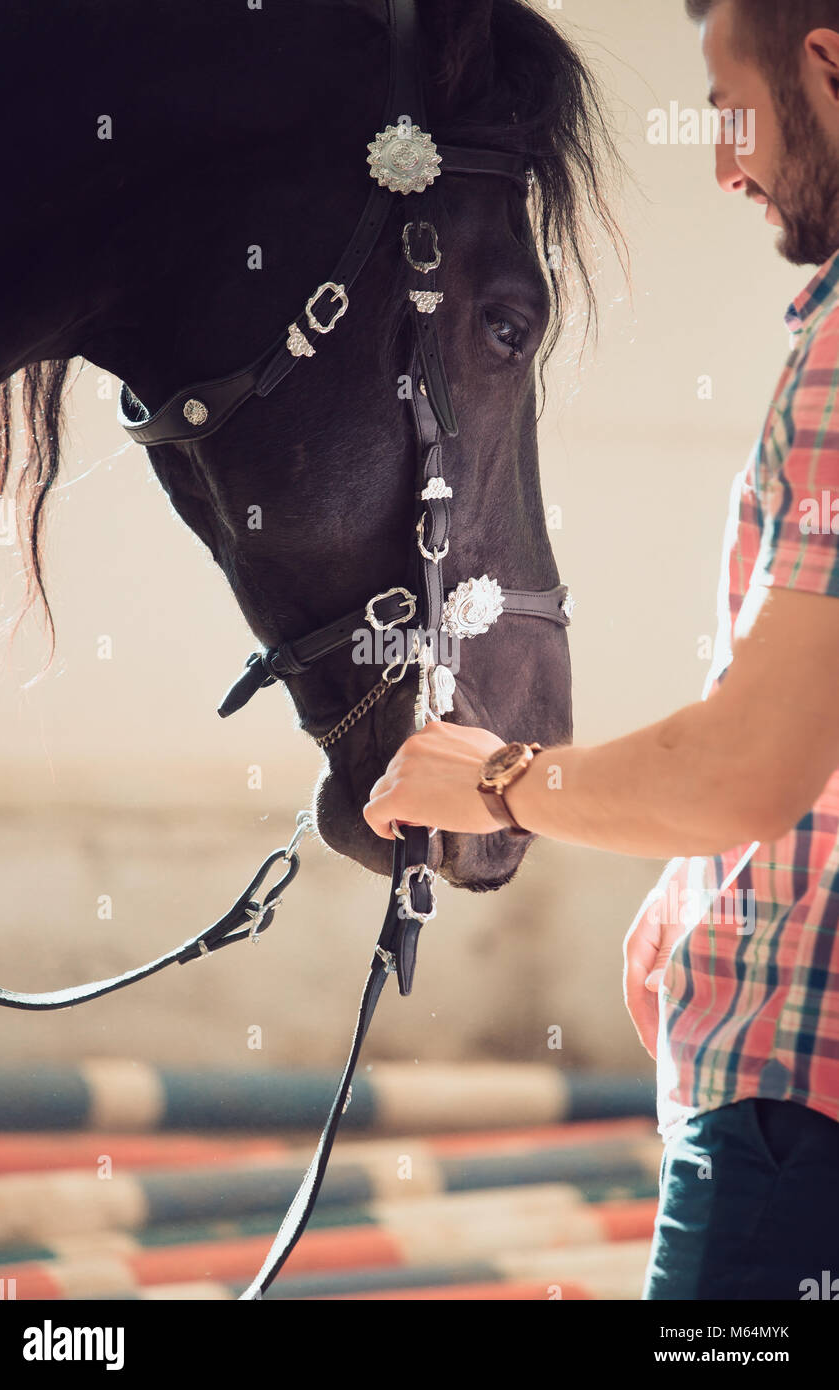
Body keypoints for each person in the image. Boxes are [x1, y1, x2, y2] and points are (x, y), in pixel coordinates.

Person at [363, 0, 839, 1301]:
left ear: (827, 64)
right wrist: (702, 906)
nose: (724, 162)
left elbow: (749, 769)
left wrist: (490, 778)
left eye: (730, 110)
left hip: (796, 1133)